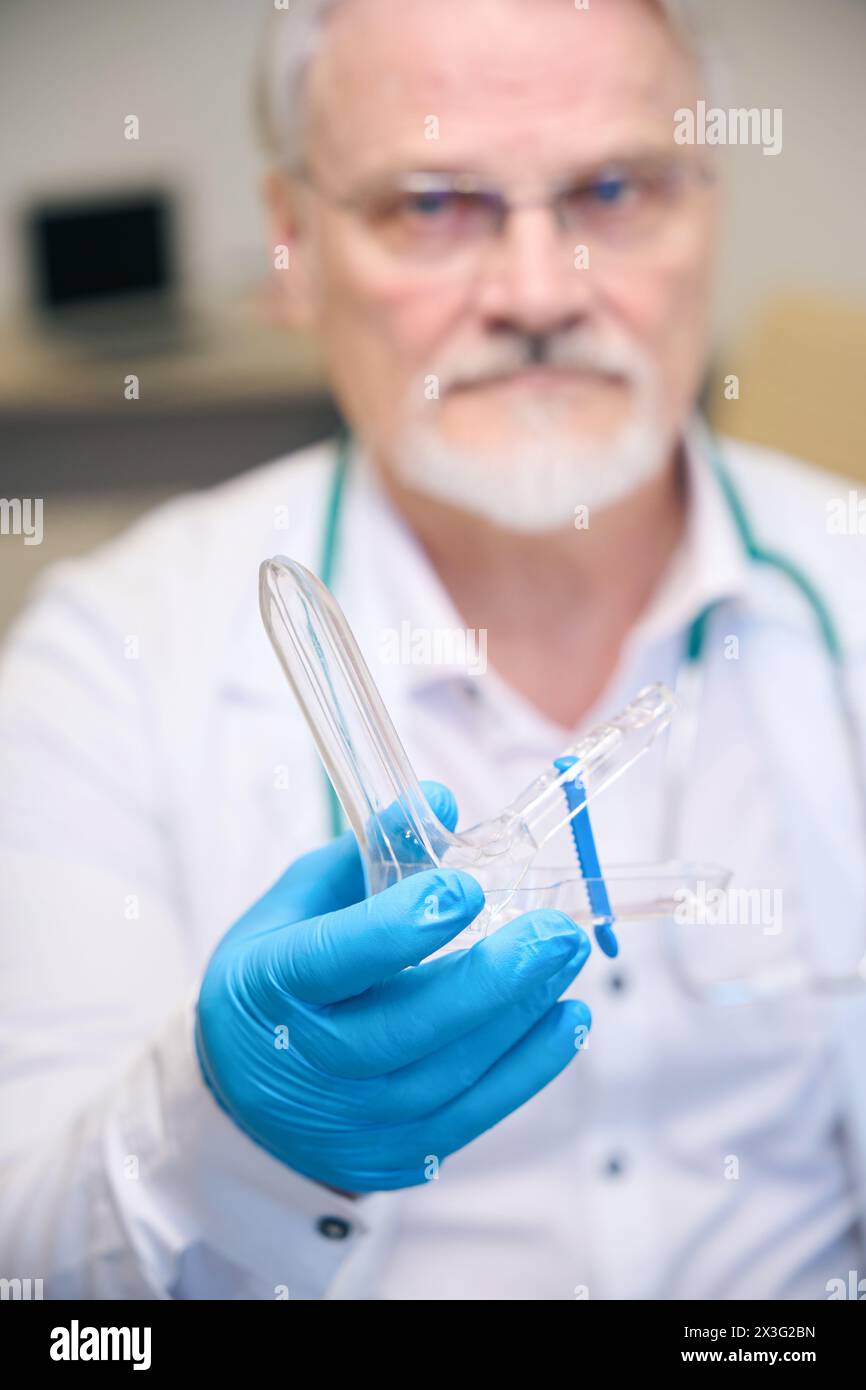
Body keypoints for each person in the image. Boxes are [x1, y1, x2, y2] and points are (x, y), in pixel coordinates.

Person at [1, 0, 864, 1301]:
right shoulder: (107, 655)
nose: (535, 293)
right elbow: (35, 1266)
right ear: (291, 243)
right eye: (432, 204)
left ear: (708, 205)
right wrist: (229, 1126)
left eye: (613, 189)